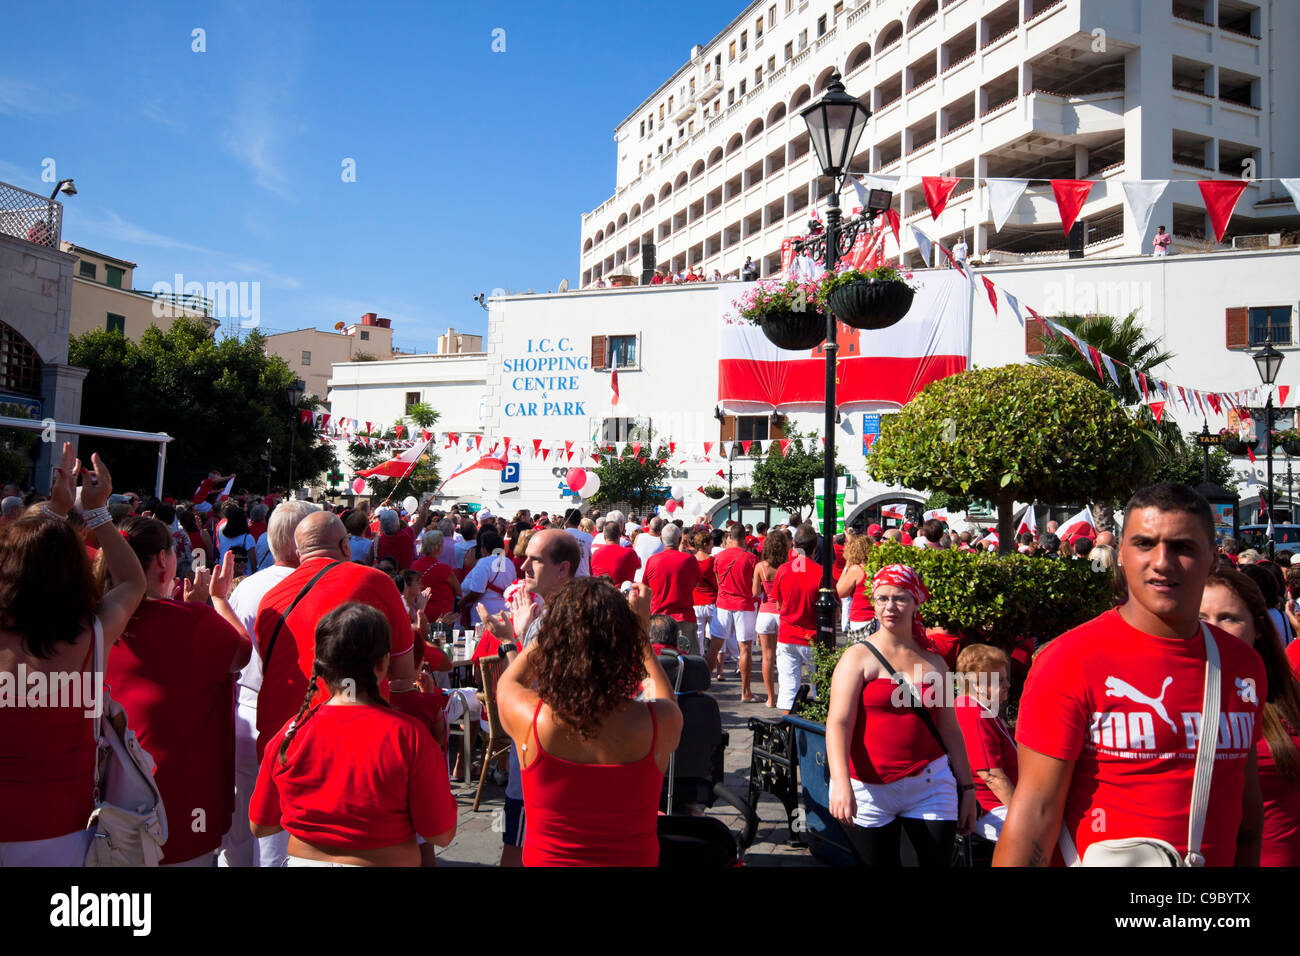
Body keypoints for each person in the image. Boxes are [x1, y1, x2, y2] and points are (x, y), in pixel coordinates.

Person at [996, 483, 1267, 867]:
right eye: (1144, 543)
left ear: (1213, 557)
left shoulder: (1243, 665)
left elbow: (1247, 819)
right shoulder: (1068, 661)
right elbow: (1033, 818)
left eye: (1183, 547)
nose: (1162, 561)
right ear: (1121, 553)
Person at [0, 445, 147, 866]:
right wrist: (96, 512)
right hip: (60, 829)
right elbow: (132, 582)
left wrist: (53, 510)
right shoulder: (92, 634)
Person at [250, 603, 457, 866]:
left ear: (321, 665)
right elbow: (440, 833)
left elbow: (261, 825)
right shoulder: (409, 736)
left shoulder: (289, 733)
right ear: (383, 663)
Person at [496, 578, 683, 866]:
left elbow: (509, 682)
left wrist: (555, 628)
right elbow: (668, 701)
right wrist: (640, 634)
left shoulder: (532, 718)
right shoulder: (658, 722)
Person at [104, 519, 252, 866]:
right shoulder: (194, 620)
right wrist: (216, 601)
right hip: (178, 791)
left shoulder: (97, 618)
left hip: (111, 787)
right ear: (161, 561)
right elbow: (241, 653)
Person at [826, 564, 977, 866]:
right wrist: (840, 783)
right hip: (868, 789)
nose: (889, 607)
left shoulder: (934, 661)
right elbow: (838, 722)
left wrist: (968, 788)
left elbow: (950, 729)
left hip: (931, 785)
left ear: (916, 601)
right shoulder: (857, 657)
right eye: (882, 598)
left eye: (900, 598)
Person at [477, 529, 581, 866]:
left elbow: (523, 693)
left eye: (534, 561)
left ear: (562, 570)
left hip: (538, 757)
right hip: (561, 756)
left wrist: (514, 641)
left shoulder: (552, 621)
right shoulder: (567, 614)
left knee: (517, 846)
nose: (522, 567)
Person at [222, 499, 317, 867]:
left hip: (246, 711)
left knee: (244, 824)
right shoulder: (306, 586)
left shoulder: (247, 587)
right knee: (278, 828)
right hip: (286, 716)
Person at [1199, 567, 1300, 866]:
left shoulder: (1289, 694)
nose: (1213, 628)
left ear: (1258, 627)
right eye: (1201, 618)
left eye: (1228, 618)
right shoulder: (1171, 699)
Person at [953, 645, 1017, 845]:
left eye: (1006, 678)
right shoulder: (972, 713)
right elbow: (992, 777)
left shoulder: (983, 710)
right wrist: (1024, 818)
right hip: (992, 808)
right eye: (999, 681)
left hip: (998, 804)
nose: (1007, 685)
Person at [772, 526, 825, 714]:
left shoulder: (784, 570)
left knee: (788, 688)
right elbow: (832, 612)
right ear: (815, 546)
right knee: (820, 688)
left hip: (787, 635)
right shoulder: (821, 573)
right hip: (812, 637)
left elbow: (778, 605)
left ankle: (788, 731)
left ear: (794, 545)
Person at [709, 524, 758, 680]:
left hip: (723, 603)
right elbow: (754, 586)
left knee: (714, 647)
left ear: (729, 537)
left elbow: (718, 582)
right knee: (745, 649)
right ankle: (746, 691)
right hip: (743, 604)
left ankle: (702, 686)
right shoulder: (751, 558)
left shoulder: (718, 557)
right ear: (744, 539)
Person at [642, 524, 701, 653]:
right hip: (684, 618)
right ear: (680, 540)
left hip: (659, 619)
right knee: (691, 663)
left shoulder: (653, 561)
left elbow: (646, 588)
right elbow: (696, 584)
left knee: (660, 664)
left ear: (661, 540)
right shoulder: (690, 560)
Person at [751, 529, 790, 707]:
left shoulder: (761, 567)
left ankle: (771, 698)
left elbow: (754, 593)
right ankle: (784, 695)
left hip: (765, 613)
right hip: (782, 613)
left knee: (767, 657)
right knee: (783, 657)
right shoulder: (788, 565)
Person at [459, 527, 516, 626]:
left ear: (484, 548)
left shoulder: (484, 562)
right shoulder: (509, 562)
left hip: (485, 611)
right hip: (505, 610)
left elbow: (477, 591)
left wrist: (461, 603)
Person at [411, 529, 461, 622]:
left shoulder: (414, 565)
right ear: (438, 547)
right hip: (442, 617)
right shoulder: (444, 569)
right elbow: (458, 592)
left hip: (420, 612)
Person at [836, 533, 875, 637]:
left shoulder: (857, 569)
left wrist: (846, 566)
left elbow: (839, 592)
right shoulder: (875, 567)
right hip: (875, 618)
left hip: (860, 618)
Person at [690, 529, 719, 664]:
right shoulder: (712, 561)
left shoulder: (691, 560)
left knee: (698, 635)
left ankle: (700, 662)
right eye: (711, 544)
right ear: (705, 544)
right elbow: (717, 581)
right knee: (715, 635)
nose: (712, 547)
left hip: (696, 601)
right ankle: (716, 665)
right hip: (712, 601)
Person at [591, 520, 640, 586]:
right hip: (624, 594)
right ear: (620, 535)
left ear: (604, 537)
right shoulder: (630, 553)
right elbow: (638, 566)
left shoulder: (595, 554)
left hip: (603, 593)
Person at [563, 507, 593, 577]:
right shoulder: (588, 537)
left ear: (565, 520)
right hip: (583, 578)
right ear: (579, 521)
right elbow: (593, 558)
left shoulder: (559, 535)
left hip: (565, 579)